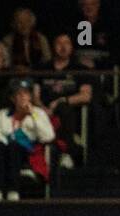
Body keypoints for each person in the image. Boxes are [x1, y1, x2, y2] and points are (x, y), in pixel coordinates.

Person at [0, 80, 55, 201]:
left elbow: (48, 136)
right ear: (13, 98)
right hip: (4, 150)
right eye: (19, 94)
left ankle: (13, 189)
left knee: (14, 146)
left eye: (26, 94)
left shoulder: (38, 113)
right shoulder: (2, 114)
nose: (23, 97)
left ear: (30, 96)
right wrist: (4, 141)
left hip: (28, 151)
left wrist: (32, 116)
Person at [37, 34, 94, 167]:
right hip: (43, 111)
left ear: (72, 47)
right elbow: (35, 95)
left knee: (63, 108)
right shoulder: (42, 68)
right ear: (53, 47)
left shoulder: (80, 69)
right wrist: (43, 108)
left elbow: (86, 95)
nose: (63, 47)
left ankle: (66, 153)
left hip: (69, 111)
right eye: (59, 43)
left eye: (66, 43)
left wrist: (61, 101)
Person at [4, 7, 50, 73]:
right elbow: (5, 62)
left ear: (32, 23)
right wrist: (15, 68)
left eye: (27, 21)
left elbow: (47, 59)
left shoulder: (41, 39)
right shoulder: (8, 40)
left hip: (37, 73)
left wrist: (32, 69)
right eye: (20, 22)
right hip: (15, 74)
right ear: (14, 24)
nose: (24, 25)